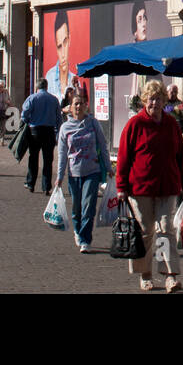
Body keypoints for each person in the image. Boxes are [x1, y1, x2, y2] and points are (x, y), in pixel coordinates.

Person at [116, 80, 183, 293]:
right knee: (146, 232)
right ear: (144, 101)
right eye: (150, 99)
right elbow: (123, 158)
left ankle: (169, 275)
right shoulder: (135, 124)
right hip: (140, 189)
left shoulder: (171, 125)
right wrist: (121, 187)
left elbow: (180, 157)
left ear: (164, 101)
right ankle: (145, 273)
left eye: (158, 99)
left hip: (168, 186)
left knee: (166, 230)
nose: (154, 103)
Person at [59, 94, 110, 253]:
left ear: (86, 105)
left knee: (88, 206)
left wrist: (109, 167)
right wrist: (59, 176)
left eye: (81, 104)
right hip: (74, 173)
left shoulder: (93, 123)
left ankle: (85, 239)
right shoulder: (65, 128)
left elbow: (103, 145)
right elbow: (62, 153)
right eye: (75, 104)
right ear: (71, 107)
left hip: (92, 171)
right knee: (76, 207)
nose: (78, 107)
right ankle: (77, 230)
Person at [21, 79, 62, 193]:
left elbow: (24, 115)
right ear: (47, 87)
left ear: (36, 87)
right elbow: (59, 118)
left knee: (33, 158)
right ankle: (46, 187)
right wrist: (57, 133)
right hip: (49, 132)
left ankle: (30, 183)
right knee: (48, 160)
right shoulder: (54, 100)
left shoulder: (32, 98)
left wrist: (30, 121)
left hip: (35, 132)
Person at [44, 10, 72, 106]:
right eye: (59, 46)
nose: (63, 54)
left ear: (69, 39)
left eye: (65, 42)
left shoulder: (74, 79)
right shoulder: (49, 76)